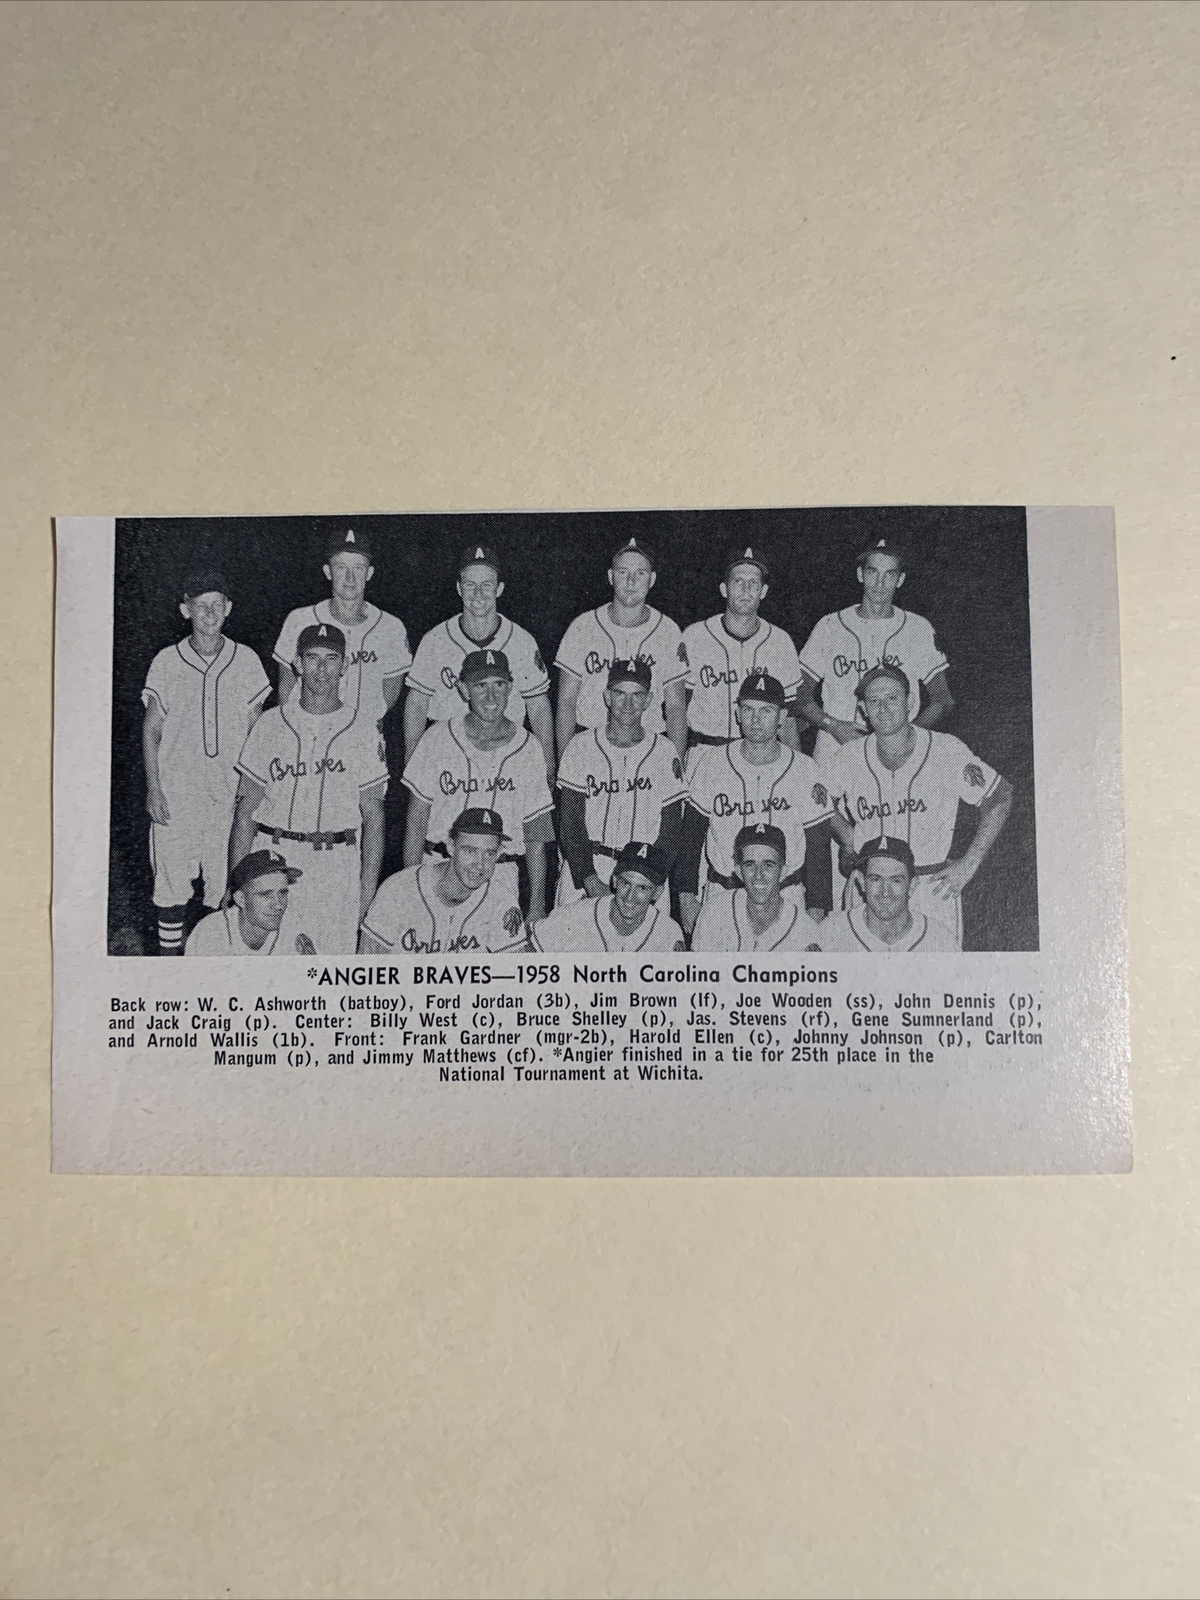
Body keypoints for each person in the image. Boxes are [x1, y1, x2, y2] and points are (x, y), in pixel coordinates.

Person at [822, 663, 1013, 948]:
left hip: (932, 886)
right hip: (870, 888)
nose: (883, 708)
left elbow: (999, 795)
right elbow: (816, 802)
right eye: (874, 701)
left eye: (892, 698)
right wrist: (846, 835)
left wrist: (970, 863)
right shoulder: (847, 757)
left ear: (910, 701)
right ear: (862, 708)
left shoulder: (946, 749)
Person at [229, 622, 388, 954]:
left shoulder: (362, 729)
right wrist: (237, 883)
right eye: (312, 658)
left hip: (337, 863)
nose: (321, 668)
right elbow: (245, 814)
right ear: (297, 664)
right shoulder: (270, 724)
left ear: (345, 665)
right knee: (271, 968)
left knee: (331, 966)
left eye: (331, 659)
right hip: (274, 857)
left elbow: (374, 817)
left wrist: (368, 890)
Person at [141, 568, 271, 955]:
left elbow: (258, 732)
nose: (210, 613)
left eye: (217, 605)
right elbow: (151, 730)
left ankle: (212, 963)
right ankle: (170, 969)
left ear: (228, 608)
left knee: (224, 885)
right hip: (177, 794)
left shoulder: (245, 659)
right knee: (170, 888)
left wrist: (253, 792)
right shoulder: (166, 661)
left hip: (227, 795)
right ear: (186, 610)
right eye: (201, 605)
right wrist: (154, 789)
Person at [677, 673, 842, 938]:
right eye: (748, 710)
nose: (755, 719)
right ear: (738, 713)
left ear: (781, 716)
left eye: (766, 711)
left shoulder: (804, 768)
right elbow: (690, 839)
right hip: (723, 892)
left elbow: (818, 848)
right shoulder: (711, 763)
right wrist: (685, 896)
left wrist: (817, 909)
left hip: (787, 895)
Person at [401, 649, 554, 922]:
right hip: (438, 866)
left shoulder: (529, 747)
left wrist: (537, 904)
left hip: (501, 873)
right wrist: (411, 888)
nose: (491, 697)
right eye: (480, 686)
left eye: (499, 685)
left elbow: (536, 834)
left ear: (510, 688)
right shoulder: (437, 737)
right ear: (463, 689)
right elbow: (416, 819)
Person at [797, 536, 953, 763]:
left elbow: (943, 700)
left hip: (899, 753)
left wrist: (906, 735)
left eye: (889, 574)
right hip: (836, 746)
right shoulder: (830, 626)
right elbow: (799, 693)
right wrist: (833, 725)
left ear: (900, 580)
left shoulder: (918, 628)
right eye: (872, 572)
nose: (880, 583)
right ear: (860, 574)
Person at [403, 543, 554, 777]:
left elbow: (538, 707)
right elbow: (416, 704)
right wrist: (412, 760)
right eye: (470, 585)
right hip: (447, 754)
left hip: (508, 755)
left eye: (486, 585)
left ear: (499, 588)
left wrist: (548, 764)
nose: (478, 594)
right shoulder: (435, 639)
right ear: (459, 588)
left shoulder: (521, 641)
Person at [555, 658, 686, 906]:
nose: (628, 704)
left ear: (649, 700)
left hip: (644, 871)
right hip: (587, 866)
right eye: (619, 693)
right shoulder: (580, 746)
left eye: (637, 695)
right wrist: (589, 878)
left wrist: (650, 878)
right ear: (606, 696)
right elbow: (570, 823)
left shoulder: (665, 751)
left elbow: (671, 830)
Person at [554, 535, 688, 763]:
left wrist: (675, 765)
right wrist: (567, 761)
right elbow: (566, 701)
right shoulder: (583, 627)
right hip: (589, 744)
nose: (631, 581)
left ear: (652, 579)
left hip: (649, 748)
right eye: (623, 572)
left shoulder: (667, 630)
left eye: (640, 573)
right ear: (610, 576)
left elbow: (676, 706)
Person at [273, 527, 411, 736]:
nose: (349, 577)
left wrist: (369, 718)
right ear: (328, 571)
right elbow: (286, 686)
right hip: (309, 732)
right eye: (341, 567)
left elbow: (391, 689)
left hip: (363, 737)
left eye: (358, 568)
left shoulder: (391, 627)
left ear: (369, 573)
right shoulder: (300, 619)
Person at [680, 545, 803, 754]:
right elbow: (677, 708)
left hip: (761, 754)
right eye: (738, 581)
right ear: (724, 589)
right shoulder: (695, 636)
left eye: (753, 583)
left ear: (763, 591)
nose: (746, 590)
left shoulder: (780, 642)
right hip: (704, 750)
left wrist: (799, 770)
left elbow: (787, 716)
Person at [360, 808, 527, 955]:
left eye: (489, 853)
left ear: (498, 854)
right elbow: (366, 968)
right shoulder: (399, 890)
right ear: (451, 847)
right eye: (470, 851)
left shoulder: (502, 900)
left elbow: (516, 974)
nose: (480, 864)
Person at [809, 835, 957, 953]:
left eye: (896, 880)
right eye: (875, 879)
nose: (885, 892)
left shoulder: (941, 941)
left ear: (912, 885)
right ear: (861, 881)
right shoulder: (831, 934)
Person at [529, 841, 684, 953]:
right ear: (615, 880)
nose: (630, 896)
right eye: (625, 883)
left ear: (657, 892)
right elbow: (527, 950)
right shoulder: (575, 916)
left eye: (642, 888)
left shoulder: (668, 933)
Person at [690, 824, 824, 952]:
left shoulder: (805, 930)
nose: (758, 875)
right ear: (738, 871)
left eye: (768, 865)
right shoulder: (715, 912)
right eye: (750, 864)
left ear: (783, 872)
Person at [186, 849, 309, 956]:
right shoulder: (211, 934)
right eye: (266, 895)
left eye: (282, 893)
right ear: (241, 899)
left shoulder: (293, 931)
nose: (278, 905)